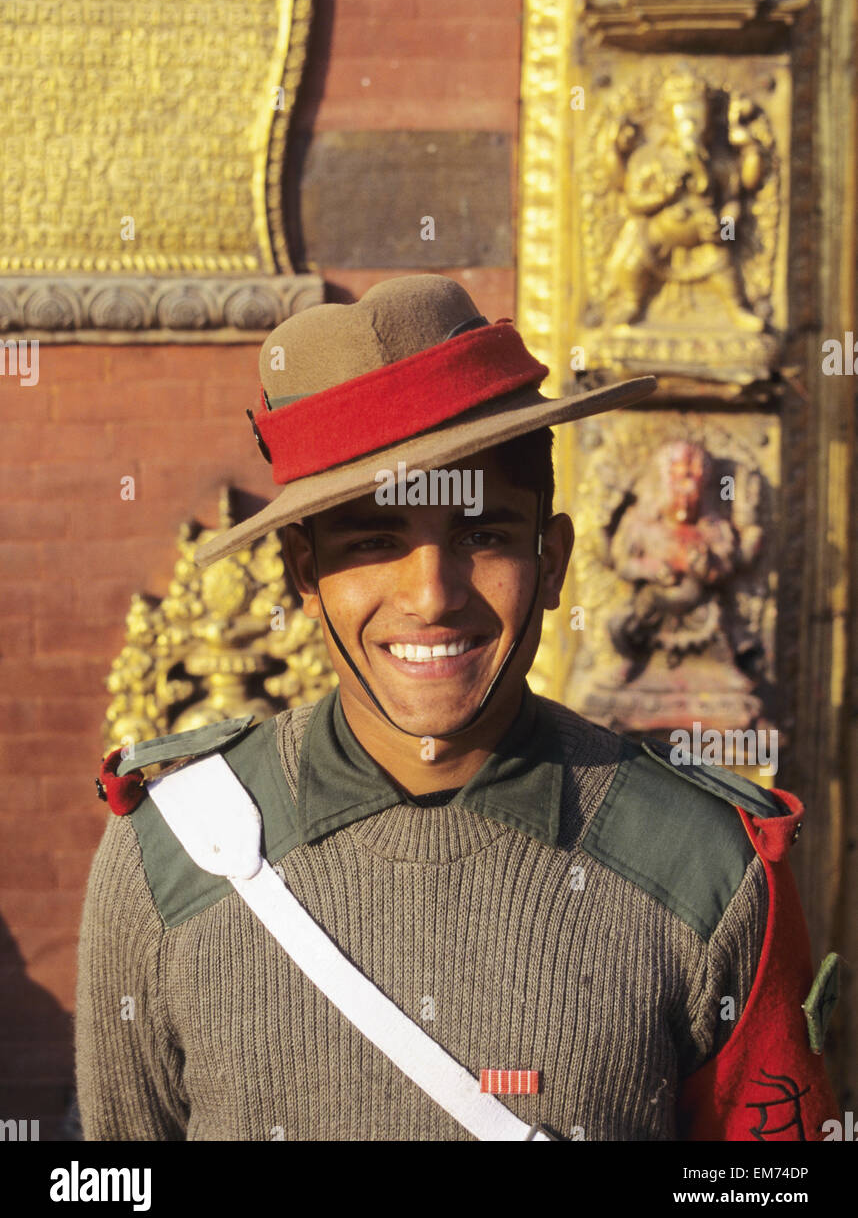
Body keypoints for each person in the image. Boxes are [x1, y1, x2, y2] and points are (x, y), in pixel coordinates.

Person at [75, 273, 839, 1141]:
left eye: (480, 536)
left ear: (552, 562)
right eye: (373, 542)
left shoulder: (705, 868)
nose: (431, 596)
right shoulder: (170, 861)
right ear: (303, 576)